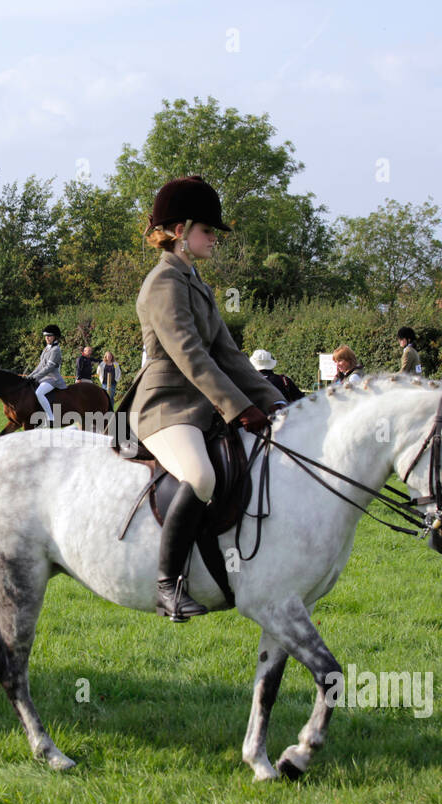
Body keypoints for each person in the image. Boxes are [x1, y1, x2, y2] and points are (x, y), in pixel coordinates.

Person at [124, 175, 285, 622]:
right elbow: (191, 356)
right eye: (208, 231)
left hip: (199, 407)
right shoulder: (163, 283)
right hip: (165, 406)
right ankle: (166, 584)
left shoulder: (195, 281)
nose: (214, 240)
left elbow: (229, 356)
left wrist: (273, 402)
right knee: (201, 475)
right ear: (180, 231)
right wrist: (239, 408)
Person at [28, 324, 68, 425]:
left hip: (53, 378)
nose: (47, 338)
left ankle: (51, 417)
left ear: (55, 337)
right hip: (44, 377)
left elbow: (49, 368)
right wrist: (30, 375)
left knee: (39, 393)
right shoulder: (46, 348)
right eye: (46, 336)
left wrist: (36, 377)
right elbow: (40, 365)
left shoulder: (56, 350)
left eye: (49, 336)